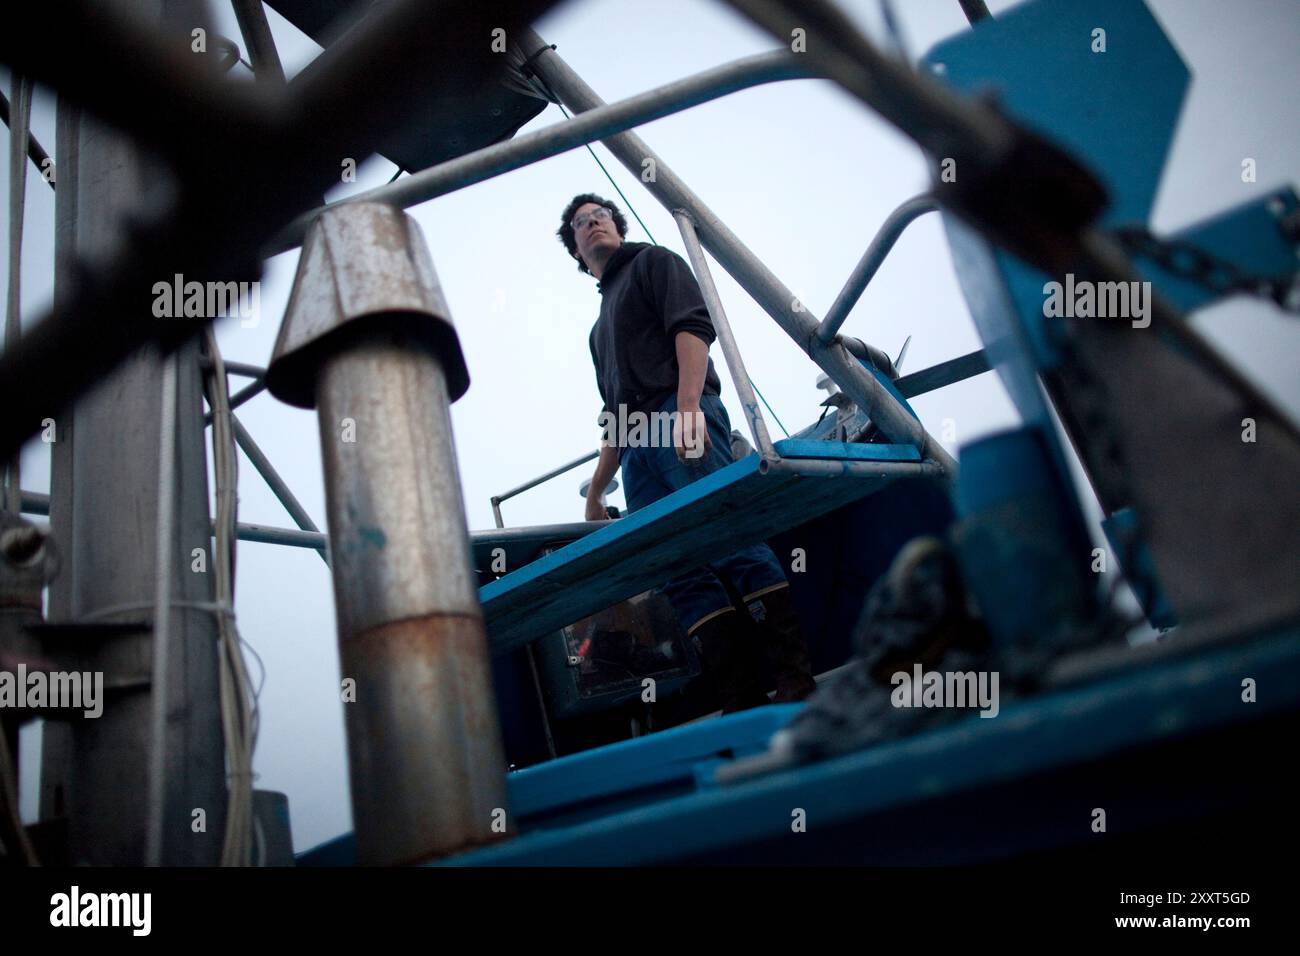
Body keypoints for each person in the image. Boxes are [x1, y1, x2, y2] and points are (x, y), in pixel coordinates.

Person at [556, 193, 817, 713]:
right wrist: (596, 492)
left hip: (679, 416)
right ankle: (739, 696)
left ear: (618, 227)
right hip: (637, 453)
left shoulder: (654, 262)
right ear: (577, 252)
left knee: (729, 536)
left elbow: (692, 328)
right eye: (581, 224)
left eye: (599, 216)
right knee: (678, 567)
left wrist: (690, 406)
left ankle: (795, 678)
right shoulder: (596, 330)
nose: (592, 225)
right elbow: (614, 410)